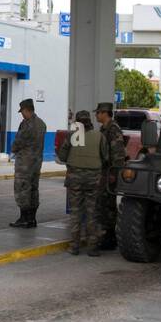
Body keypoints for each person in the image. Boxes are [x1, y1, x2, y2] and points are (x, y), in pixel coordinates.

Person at [56, 110, 109, 256]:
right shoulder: (99, 136)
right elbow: (105, 157)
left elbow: (62, 156)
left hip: (75, 180)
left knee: (76, 213)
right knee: (92, 212)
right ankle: (92, 248)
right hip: (93, 180)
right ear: (90, 121)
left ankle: (74, 247)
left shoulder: (72, 136)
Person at [9, 98, 47, 228]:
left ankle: (24, 218)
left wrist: (12, 150)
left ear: (27, 110)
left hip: (25, 164)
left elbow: (18, 142)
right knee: (33, 189)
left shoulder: (27, 125)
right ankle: (32, 219)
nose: (22, 114)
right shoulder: (42, 123)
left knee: (22, 190)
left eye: (22, 111)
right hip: (37, 163)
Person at [95, 102, 127, 249]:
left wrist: (114, 173)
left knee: (108, 205)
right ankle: (107, 235)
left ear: (104, 113)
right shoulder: (104, 128)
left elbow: (119, 154)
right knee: (103, 204)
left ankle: (110, 238)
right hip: (104, 172)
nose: (96, 115)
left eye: (98, 113)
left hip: (110, 173)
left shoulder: (113, 129)